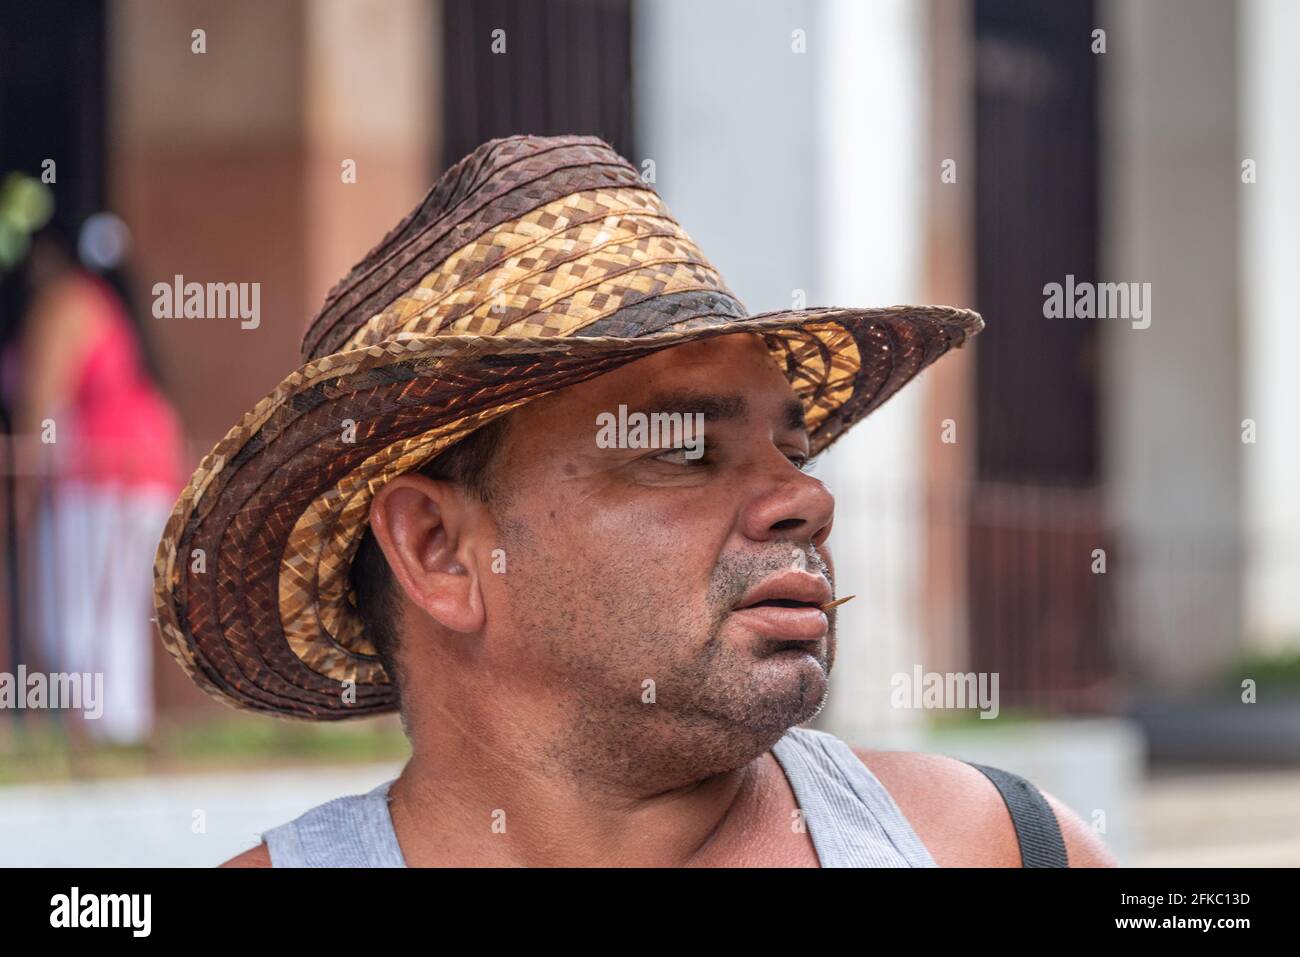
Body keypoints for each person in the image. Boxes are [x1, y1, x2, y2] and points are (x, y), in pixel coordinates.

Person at [151, 134, 1114, 867]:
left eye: (794, 445)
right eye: (683, 449)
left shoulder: (997, 847)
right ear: (441, 551)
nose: (805, 501)